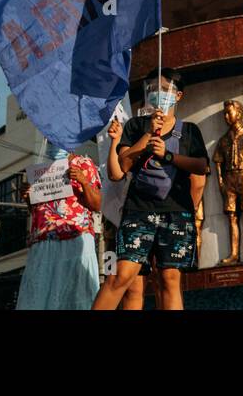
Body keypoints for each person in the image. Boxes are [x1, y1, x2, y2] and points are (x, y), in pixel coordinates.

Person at [93, 72, 209, 310]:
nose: (159, 93)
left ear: (178, 95)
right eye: (154, 88)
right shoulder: (135, 126)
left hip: (176, 211)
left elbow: (201, 166)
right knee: (121, 275)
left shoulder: (189, 130)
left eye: (165, 88)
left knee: (170, 279)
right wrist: (148, 134)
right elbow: (122, 166)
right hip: (138, 211)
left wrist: (168, 156)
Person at [16, 142, 102, 310]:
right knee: (39, 298)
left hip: (76, 238)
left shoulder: (84, 164)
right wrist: (28, 198)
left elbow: (97, 204)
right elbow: (38, 212)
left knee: (76, 295)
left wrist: (83, 181)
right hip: (44, 241)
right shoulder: (39, 171)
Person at [105, 110, 154, 309]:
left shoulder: (176, 134)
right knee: (130, 285)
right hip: (131, 219)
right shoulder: (134, 139)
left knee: (164, 281)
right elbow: (116, 173)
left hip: (164, 216)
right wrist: (115, 141)